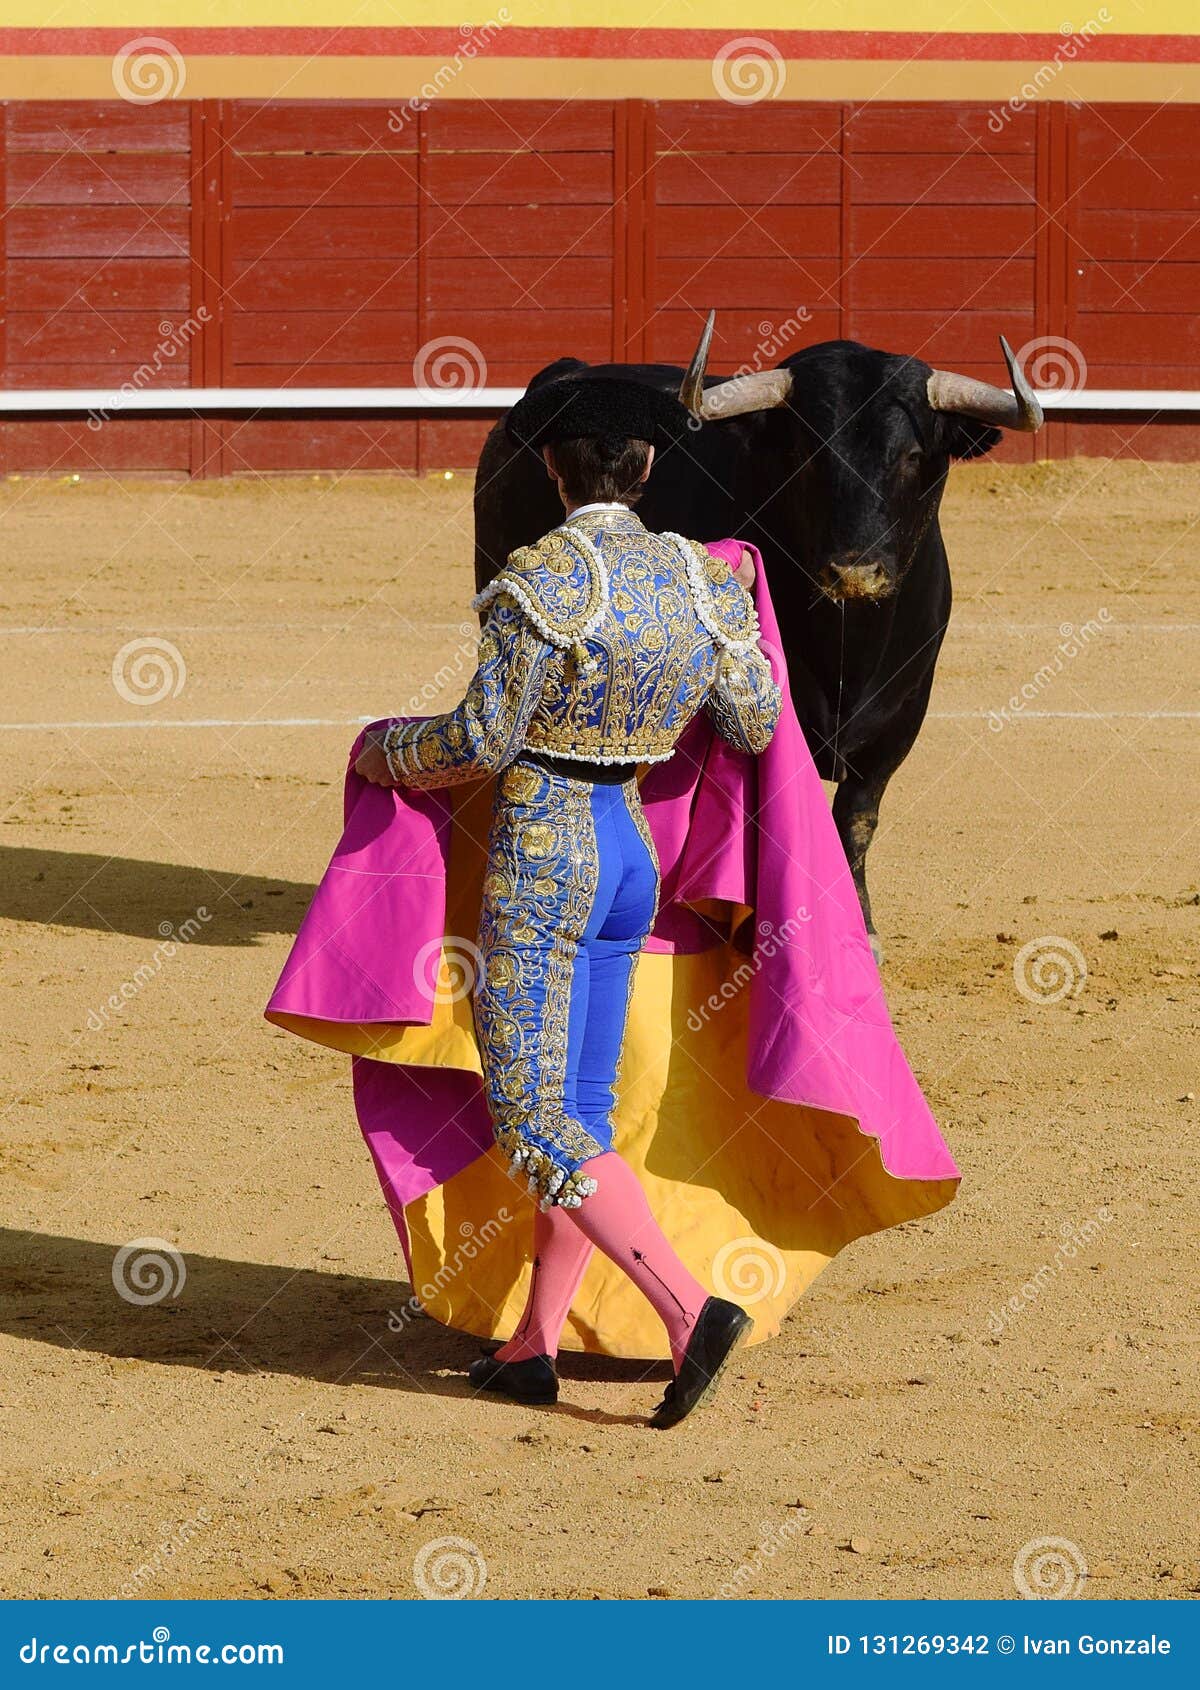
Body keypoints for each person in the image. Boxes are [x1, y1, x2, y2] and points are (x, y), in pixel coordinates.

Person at [354, 375, 782, 1428]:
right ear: (645, 468)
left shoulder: (539, 578)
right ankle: (533, 1344)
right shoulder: (700, 577)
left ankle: (690, 1312)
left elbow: (480, 744)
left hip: (546, 849)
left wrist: (382, 750)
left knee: (534, 1117)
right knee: (580, 1112)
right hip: (629, 850)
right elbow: (758, 724)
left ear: (552, 468)